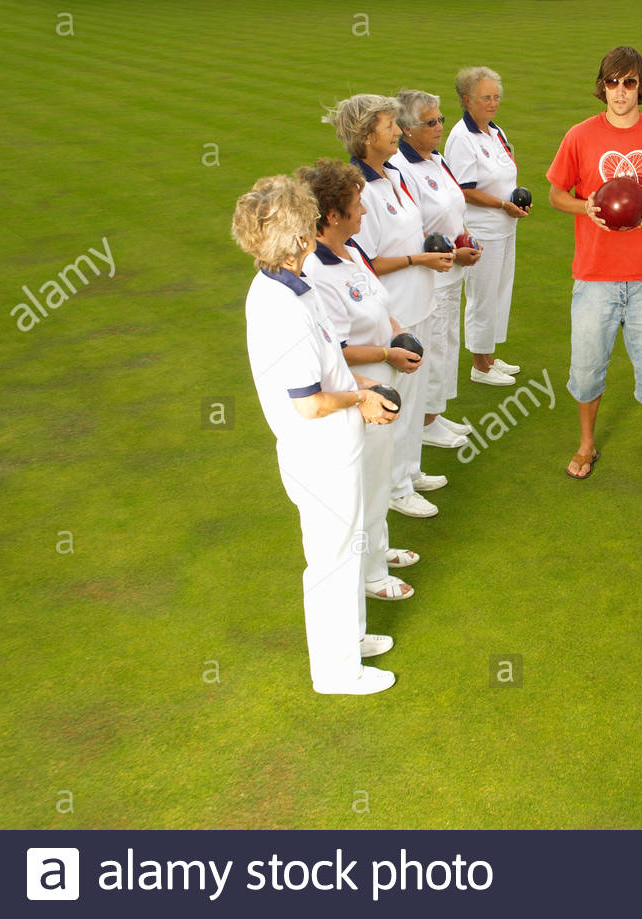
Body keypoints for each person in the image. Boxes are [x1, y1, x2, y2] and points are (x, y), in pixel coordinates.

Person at [232, 174, 397, 695]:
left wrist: (359, 381)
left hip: (335, 448)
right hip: (321, 453)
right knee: (330, 559)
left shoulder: (291, 285)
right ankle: (336, 670)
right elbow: (307, 402)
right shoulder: (280, 306)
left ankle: (350, 637)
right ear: (299, 237)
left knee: (346, 548)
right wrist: (360, 398)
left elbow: (327, 367)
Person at [546, 45, 642, 480]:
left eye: (629, 82)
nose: (620, 91)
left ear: (641, 87)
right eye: (612, 82)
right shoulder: (579, 135)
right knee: (587, 367)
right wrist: (585, 208)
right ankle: (587, 443)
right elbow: (557, 193)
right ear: (602, 86)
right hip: (594, 276)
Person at [324, 94, 454, 519]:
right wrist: (420, 259)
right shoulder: (361, 191)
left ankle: (409, 472)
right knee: (398, 402)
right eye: (389, 126)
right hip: (391, 315)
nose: (399, 131)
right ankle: (396, 488)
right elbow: (368, 260)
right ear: (365, 136)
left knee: (415, 399)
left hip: (419, 302)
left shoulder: (397, 172)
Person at [297, 158, 421, 604]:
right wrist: (388, 353)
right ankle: (369, 575)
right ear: (332, 215)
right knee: (366, 485)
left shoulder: (353, 250)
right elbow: (337, 349)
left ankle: (379, 552)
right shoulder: (315, 271)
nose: (364, 212)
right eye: (357, 205)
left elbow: (375, 300)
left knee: (380, 477)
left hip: (384, 380)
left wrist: (396, 332)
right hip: (360, 389)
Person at [392, 89, 482, 449]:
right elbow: (413, 226)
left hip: (451, 267)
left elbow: (452, 208)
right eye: (430, 122)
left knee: (447, 343)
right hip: (430, 273)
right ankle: (426, 422)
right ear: (406, 129)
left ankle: (434, 413)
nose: (440, 127)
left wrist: (465, 236)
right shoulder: (402, 168)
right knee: (434, 348)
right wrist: (451, 252)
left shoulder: (436, 158)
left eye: (441, 119)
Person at [444, 66, 529, 386]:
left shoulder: (496, 131)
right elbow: (462, 189)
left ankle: (489, 355)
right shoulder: (461, 137)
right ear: (467, 100)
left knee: (499, 292)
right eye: (485, 98)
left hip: (505, 225)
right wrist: (501, 204)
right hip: (482, 230)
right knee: (482, 294)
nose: (493, 103)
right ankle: (479, 365)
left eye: (496, 97)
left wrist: (515, 204)